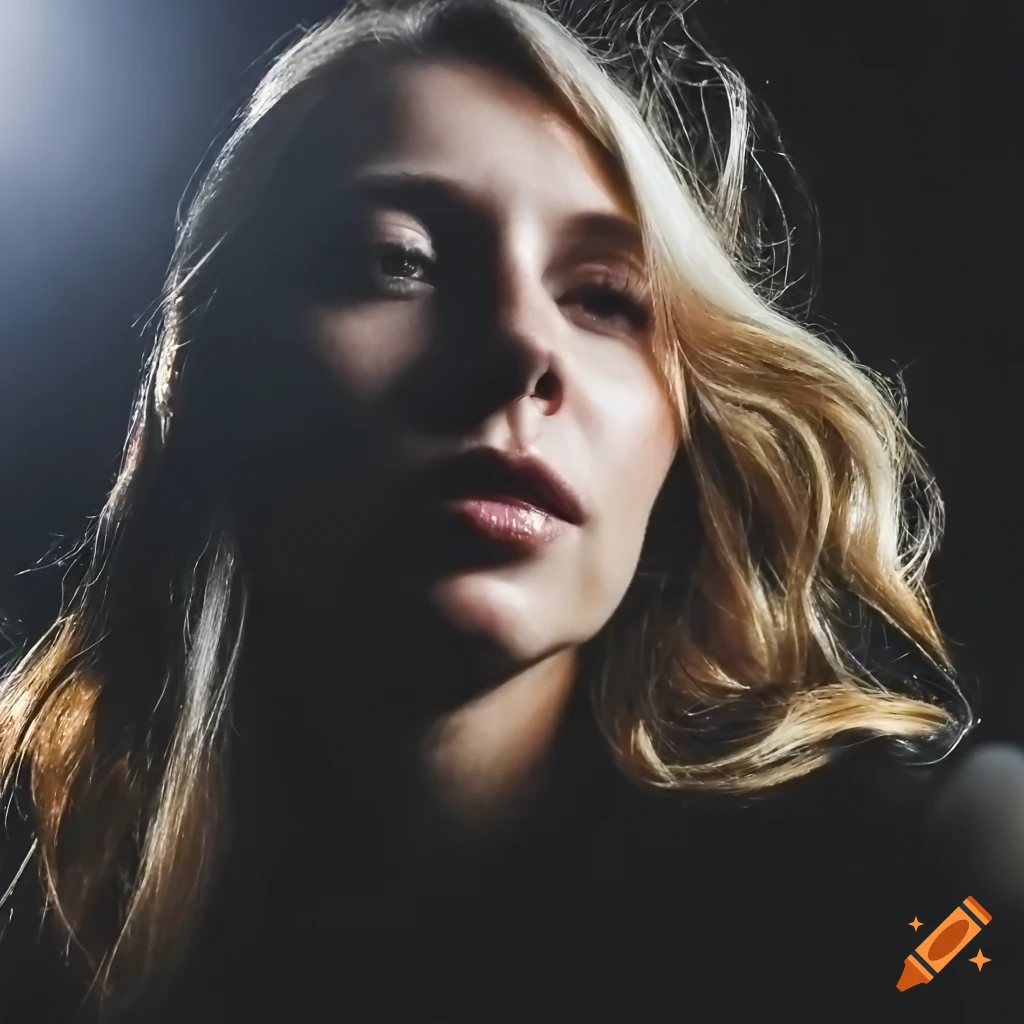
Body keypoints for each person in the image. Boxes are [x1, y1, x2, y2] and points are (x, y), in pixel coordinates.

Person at [1, 1, 1022, 1021]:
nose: (525, 348)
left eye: (605, 297)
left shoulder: (931, 880)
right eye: (397, 260)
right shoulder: (32, 908)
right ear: (203, 378)